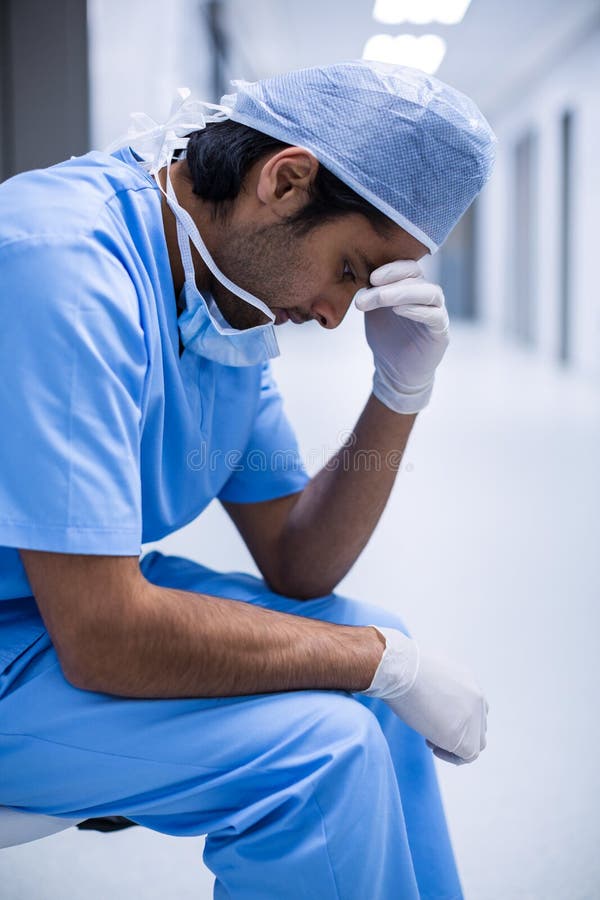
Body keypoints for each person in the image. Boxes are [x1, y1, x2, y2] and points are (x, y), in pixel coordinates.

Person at [0, 61, 496, 898]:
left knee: (376, 660)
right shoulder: (64, 268)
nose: (340, 316)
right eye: (349, 268)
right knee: (322, 750)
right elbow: (104, 634)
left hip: (47, 605)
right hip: (50, 623)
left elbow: (299, 563)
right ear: (287, 179)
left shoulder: (217, 299)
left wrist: (399, 393)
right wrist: (378, 661)